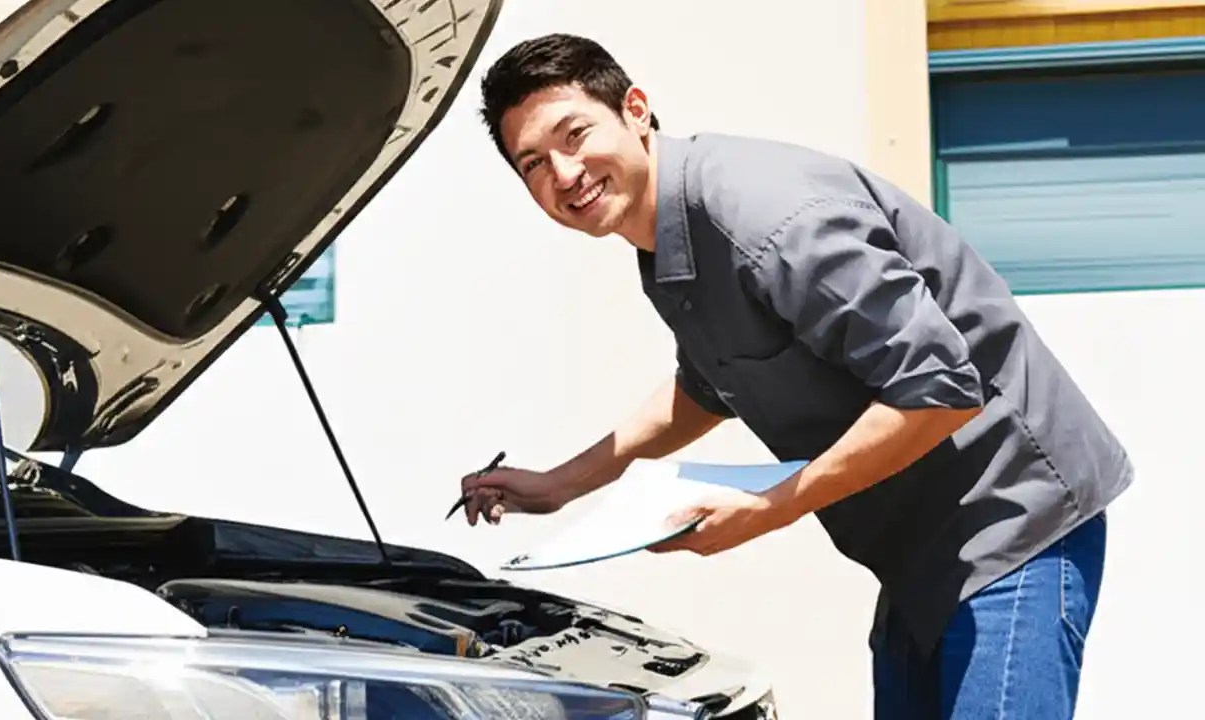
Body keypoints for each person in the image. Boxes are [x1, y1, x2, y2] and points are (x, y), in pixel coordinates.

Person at [459, 32, 1132, 720]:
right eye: (533, 163)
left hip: (1011, 519)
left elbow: (939, 386)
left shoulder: (769, 221)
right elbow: (709, 384)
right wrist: (562, 485)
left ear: (635, 109)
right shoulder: (664, 238)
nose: (564, 174)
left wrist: (769, 509)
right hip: (913, 552)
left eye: (574, 135)